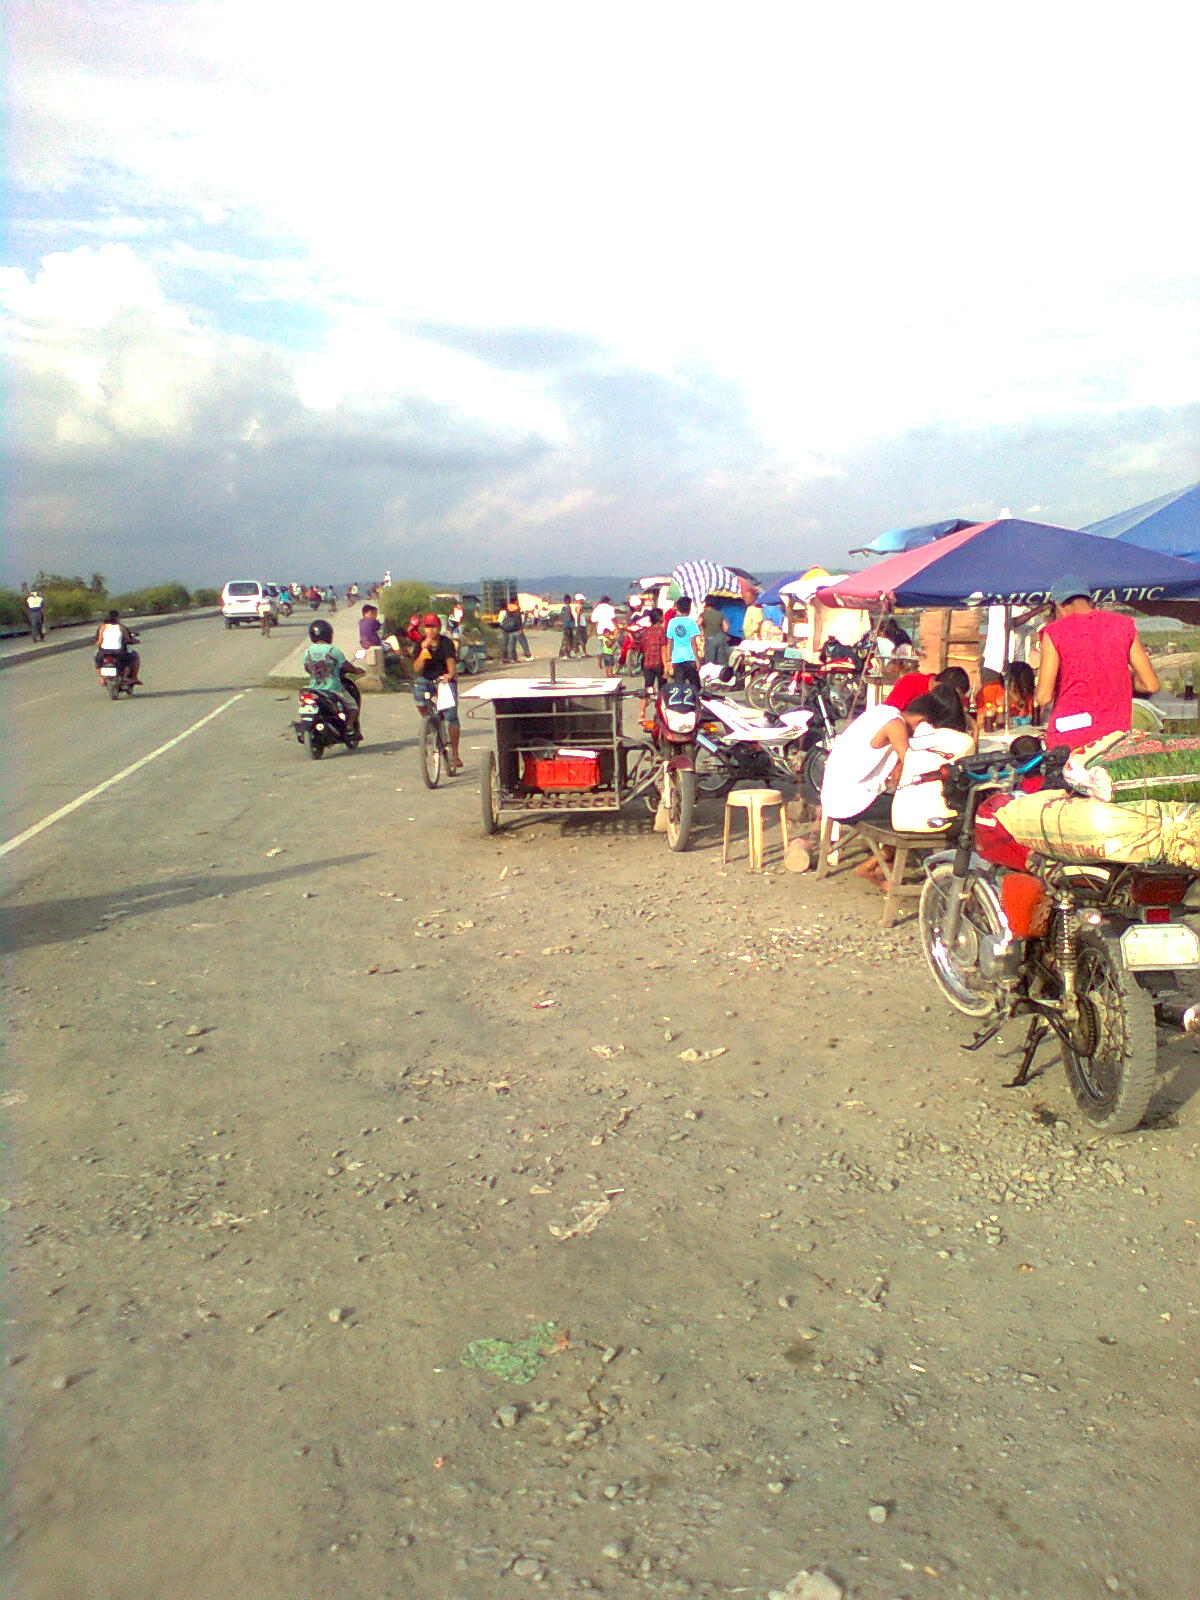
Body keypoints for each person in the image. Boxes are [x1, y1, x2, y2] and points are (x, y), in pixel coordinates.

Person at [1036, 576, 1159, 750]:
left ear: (1059, 604)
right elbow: (1151, 685)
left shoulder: (1055, 631)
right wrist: (1126, 682)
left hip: (1070, 738)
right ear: (1089, 600)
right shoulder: (1124, 625)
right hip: (1114, 736)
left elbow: (1043, 697)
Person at [412, 612, 462, 768]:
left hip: (443, 680)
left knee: (451, 716)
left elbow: (451, 666)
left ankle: (455, 753)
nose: (430, 631)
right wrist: (423, 651)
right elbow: (416, 668)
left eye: (433, 627)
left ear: (439, 628)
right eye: (427, 627)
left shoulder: (446, 643)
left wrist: (448, 676)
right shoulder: (419, 643)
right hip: (426, 679)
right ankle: (426, 721)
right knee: (418, 692)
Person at [303, 618, 363, 737]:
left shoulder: (308, 651)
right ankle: (349, 726)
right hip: (333, 688)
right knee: (353, 706)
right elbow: (346, 665)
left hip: (314, 688)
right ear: (329, 634)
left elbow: (307, 667)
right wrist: (356, 671)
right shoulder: (333, 651)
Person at [663, 595, 702, 690]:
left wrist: (668, 659)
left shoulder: (672, 622)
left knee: (679, 687)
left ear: (678, 608)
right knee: (696, 687)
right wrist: (697, 660)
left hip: (676, 658)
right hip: (690, 658)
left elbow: (669, 642)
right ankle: (696, 703)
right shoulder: (691, 622)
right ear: (689, 609)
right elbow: (693, 643)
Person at [93, 610, 141, 686]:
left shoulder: (102, 627)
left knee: (97, 660)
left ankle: (101, 678)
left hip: (104, 653)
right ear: (117, 618)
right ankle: (134, 677)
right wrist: (135, 641)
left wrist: (98, 644)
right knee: (135, 656)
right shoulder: (121, 627)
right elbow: (127, 639)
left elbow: (99, 641)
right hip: (119, 653)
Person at [638, 607, 666, 720]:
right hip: (659, 664)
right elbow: (664, 649)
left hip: (647, 664)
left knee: (648, 688)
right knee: (662, 690)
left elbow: (642, 649)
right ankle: (660, 712)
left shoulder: (645, 632)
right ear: (660, 618)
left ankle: (641, 713)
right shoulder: (662, 631)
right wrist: (667, 666)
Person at [700, 594, 731, 667]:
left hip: (710, 639)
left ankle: (710, 677)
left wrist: (702, 631)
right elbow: (726, 628)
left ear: (706, 603)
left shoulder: (703, 614)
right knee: (721, 662)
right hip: (720, 638)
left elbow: (698, 623)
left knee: (709, 663)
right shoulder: (720, 614)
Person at [499, 597, 531, 663]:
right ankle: (527, 656)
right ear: (516, 601)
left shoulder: (507, 608)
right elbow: (518, 619)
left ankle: (512, 659)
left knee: (511, 645)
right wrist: (520, 628)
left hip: (510, 629)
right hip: (517, 628)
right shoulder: (516, 608)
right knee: (523, 642)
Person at [589, 595, 616, 660]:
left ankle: (600, 655)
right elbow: (613, 619)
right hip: (610, 629)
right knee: (610, 644)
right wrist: (616, 626)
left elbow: (593, 620)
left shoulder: (597, 608)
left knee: (600, 645)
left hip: (600, 630)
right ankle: (609, 658)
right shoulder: (610, 608)